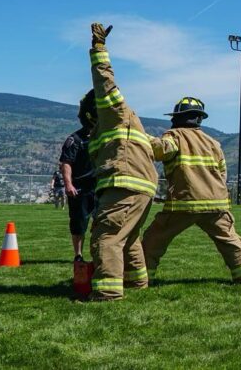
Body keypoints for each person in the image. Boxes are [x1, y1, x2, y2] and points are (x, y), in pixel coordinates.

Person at [143, 97, 241, 284]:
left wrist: (142, 137)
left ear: (177, 117)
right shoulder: (213, 143)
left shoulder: (174, 136)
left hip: (184, 204)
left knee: (154, 239)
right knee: (230, 241)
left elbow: (160, 151)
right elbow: (223, 173)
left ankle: (143, 277)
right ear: (199, 119)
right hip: (216, 205)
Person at [86, 23, 158, 301]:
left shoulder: (113, 112)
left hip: (124, 183)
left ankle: (107, 292)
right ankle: (137, 284)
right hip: (141, 186)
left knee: (107, 236)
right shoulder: (131, 125)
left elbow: (104, 82)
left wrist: (98, 49)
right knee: (128, 239)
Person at [59, 97, 97, 262]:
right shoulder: (75, 139)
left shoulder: (101, 137)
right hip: (80, 188)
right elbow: (66, 163)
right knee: (79, 223)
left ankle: (99, 253)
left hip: (98, 187)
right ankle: (78, 255)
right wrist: (68, 184)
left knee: (102, 222)